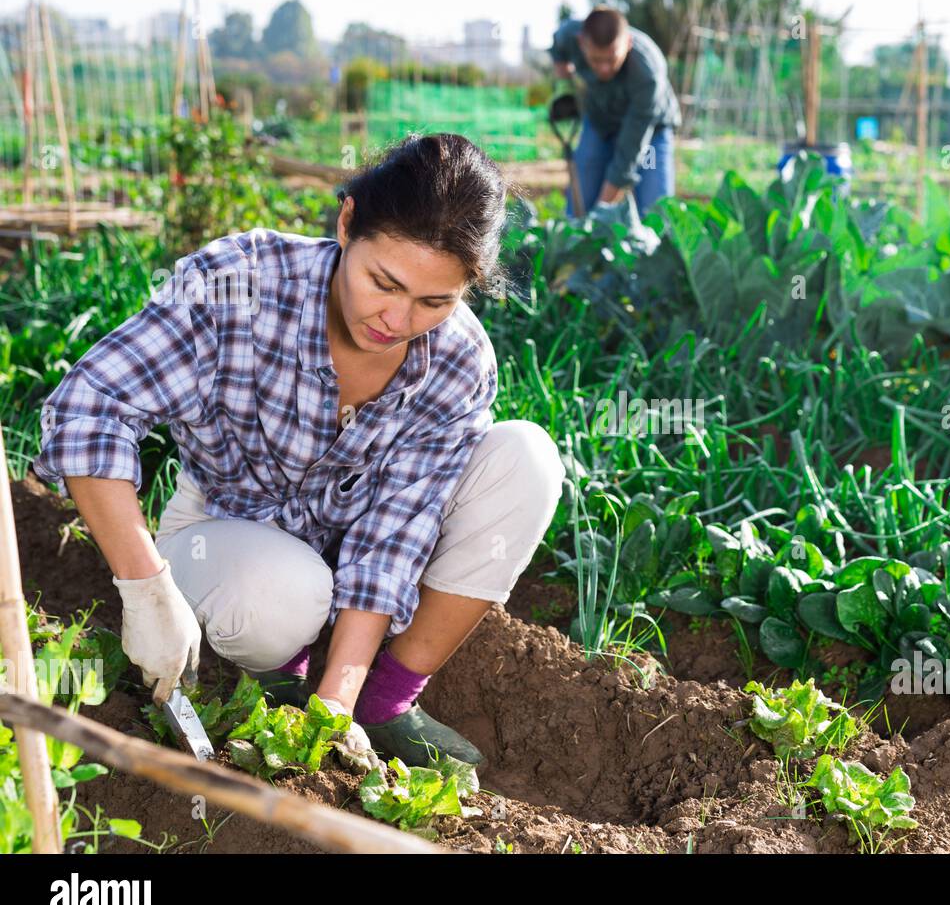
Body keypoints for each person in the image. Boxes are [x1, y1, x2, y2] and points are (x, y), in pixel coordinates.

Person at [32, 133, 566, 771]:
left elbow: (396, 532)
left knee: (527, 457)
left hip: (354, 539)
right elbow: (90, 405)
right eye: (383, 283)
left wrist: (335, 709)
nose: (396, 320)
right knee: (282, 596)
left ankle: (385, 700)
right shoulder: (240, 284)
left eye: (434, 301)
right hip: (228, 533)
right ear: (347, 224)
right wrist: (146, 592)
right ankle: (281, 674)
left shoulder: (455, 359)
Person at [549, 6, 680, 218]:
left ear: (627, 44)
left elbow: (628, 156)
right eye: (596, 60)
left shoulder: (647, 73)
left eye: (611, 59)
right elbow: (558, 48)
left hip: (650, 130)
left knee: (657, 211)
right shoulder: (570, 35)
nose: (603, 69)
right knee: (580, 200)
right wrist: (565, 88)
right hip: (601, 123)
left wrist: (600, 215)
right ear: (582, 43)